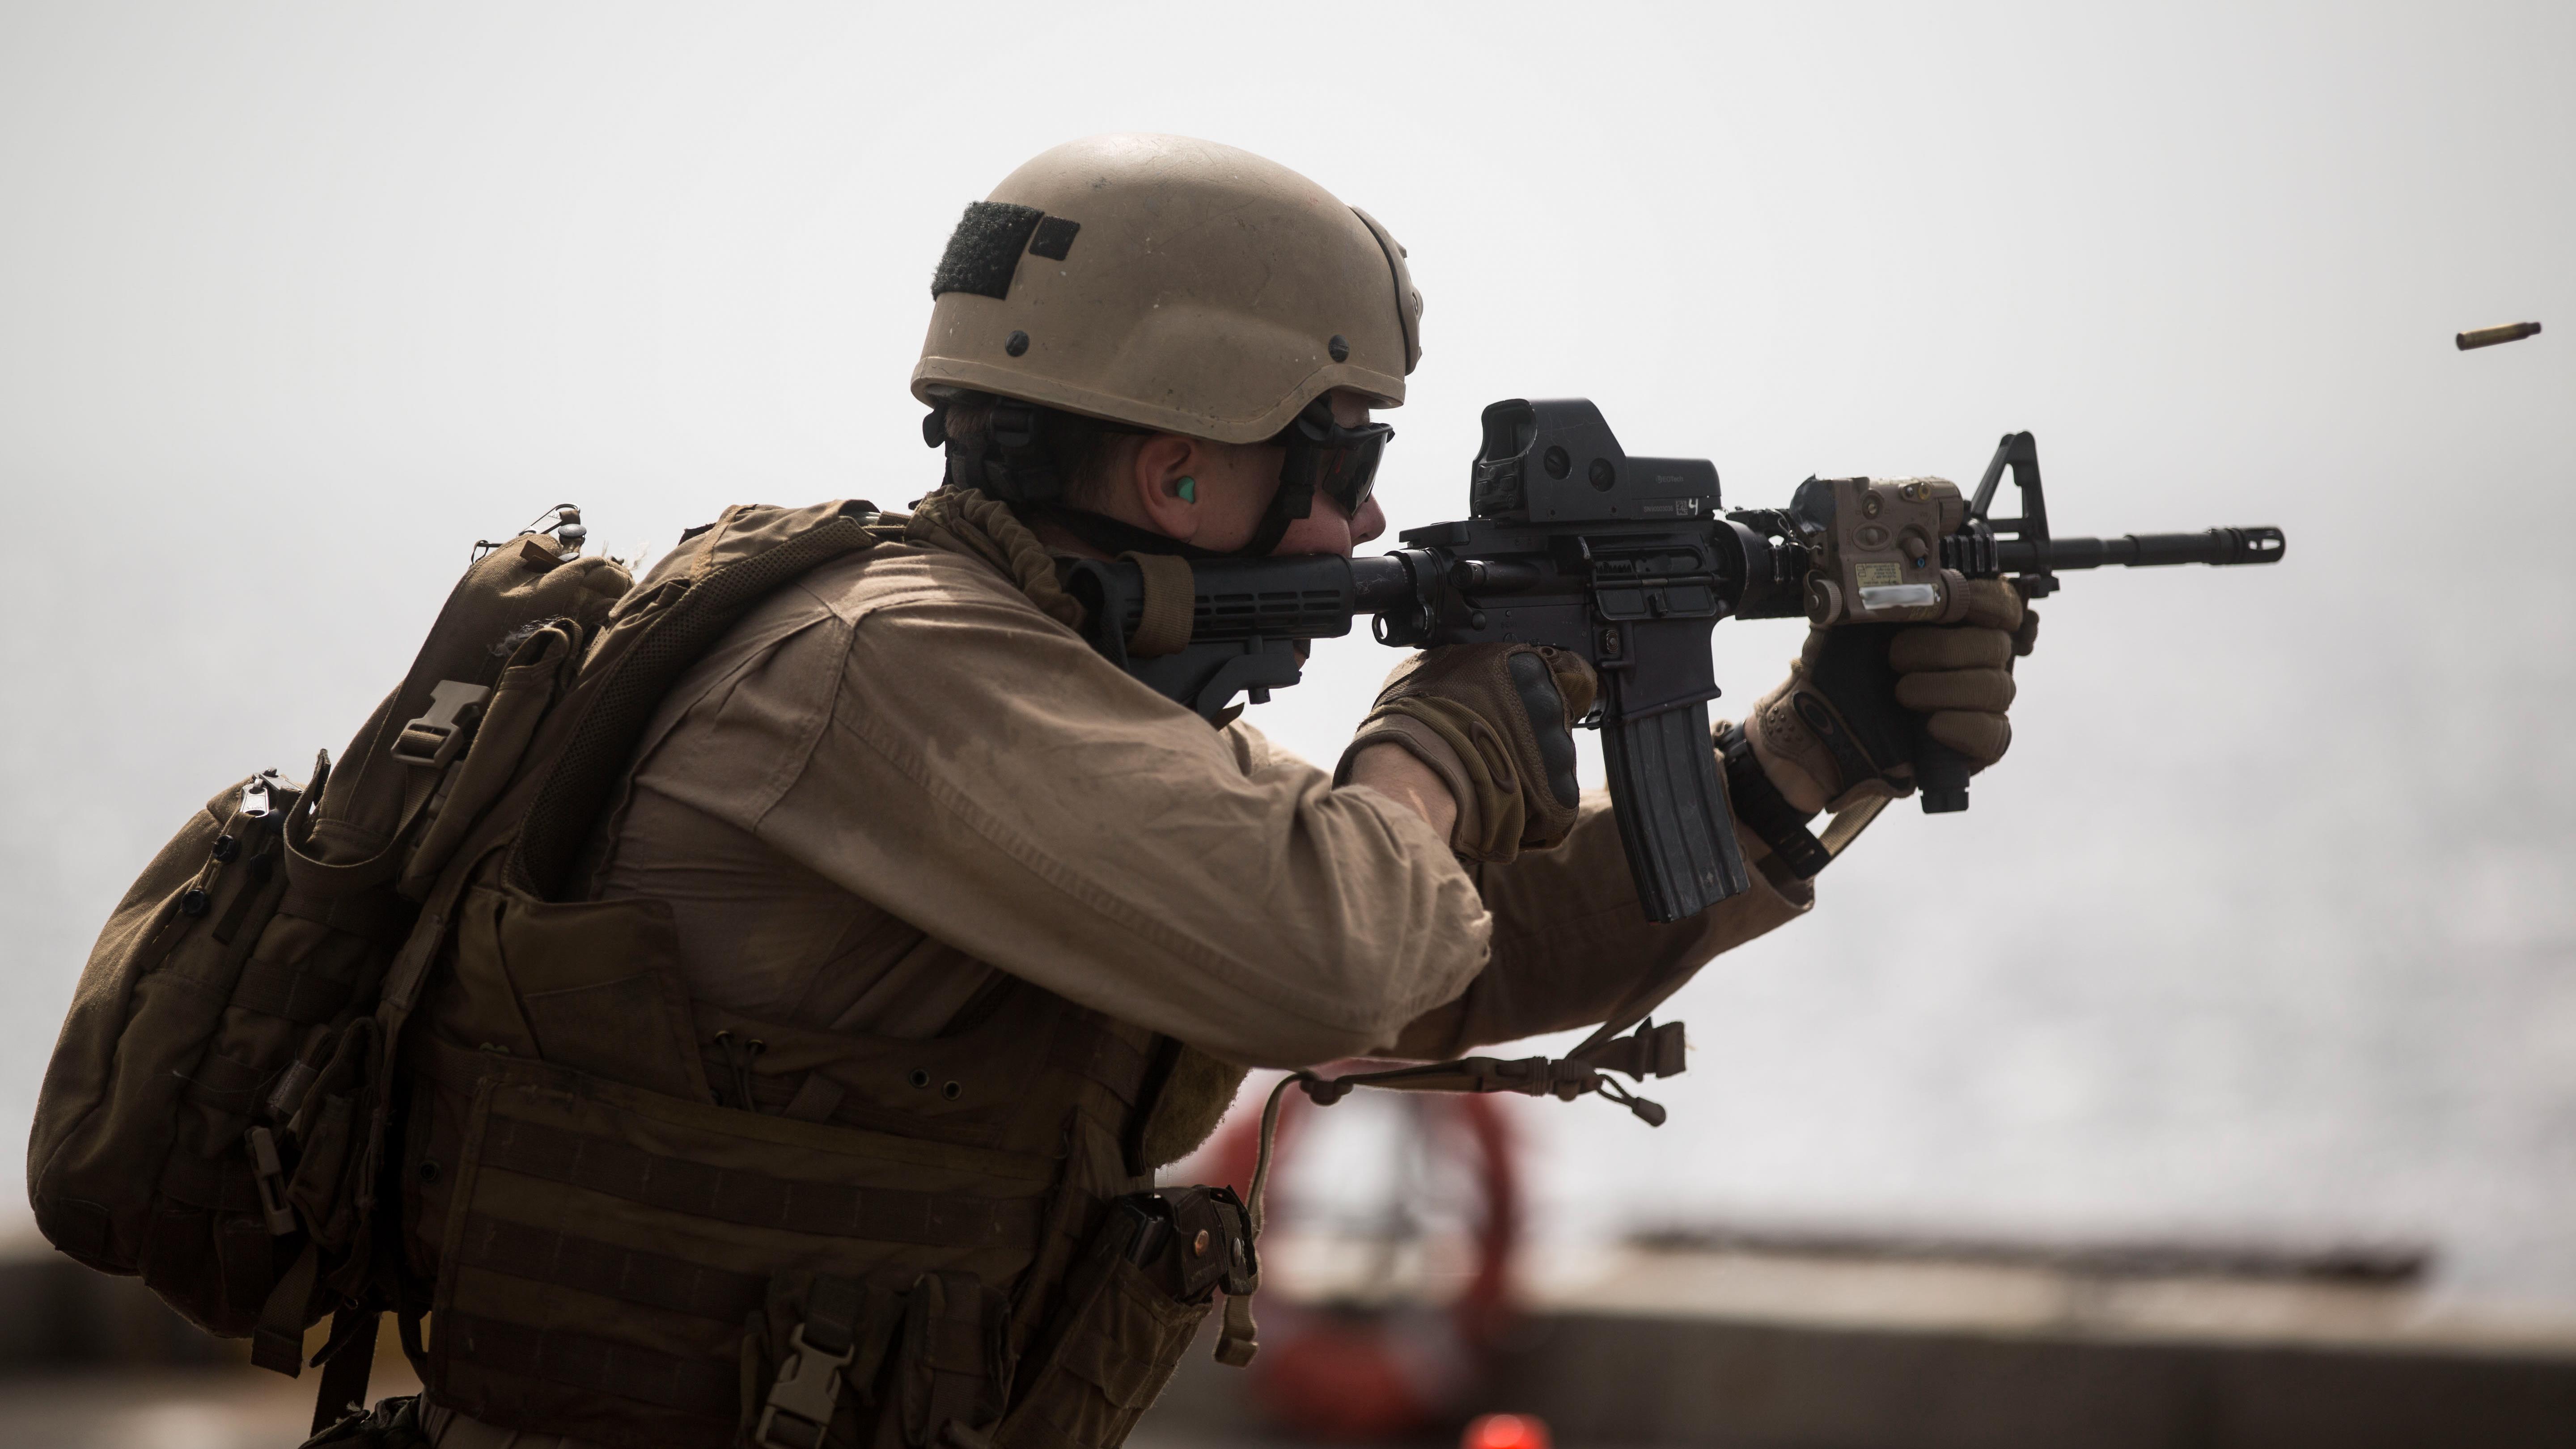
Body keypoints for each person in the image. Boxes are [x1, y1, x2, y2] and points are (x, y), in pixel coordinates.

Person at [407, 132, 2032, 1449]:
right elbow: (1336, 949)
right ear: (1180, 469)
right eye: (1338, 462)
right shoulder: (895, 671)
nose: (1361, 519)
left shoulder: (1033, 684)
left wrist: (1807, 758)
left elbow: (1433, 966)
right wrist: (1451, 735)